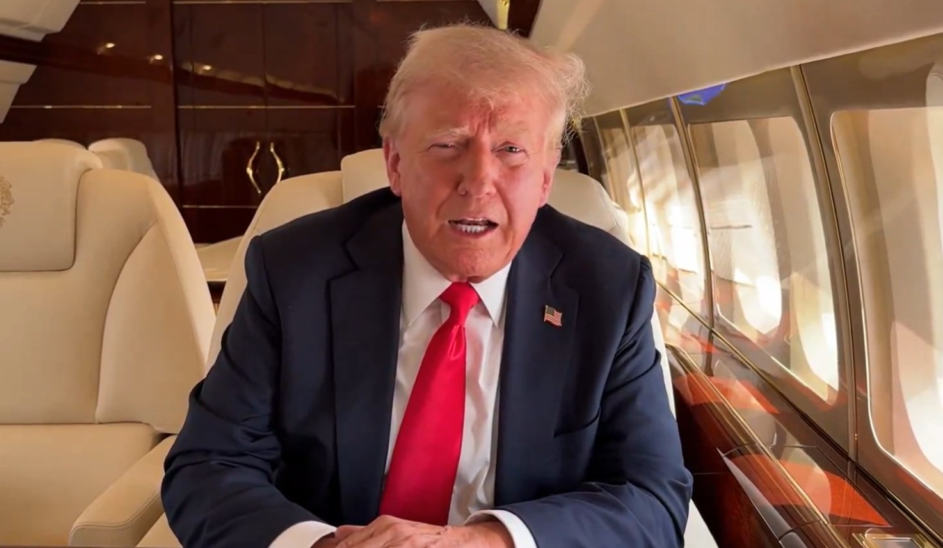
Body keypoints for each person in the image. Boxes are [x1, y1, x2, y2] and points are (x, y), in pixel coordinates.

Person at [161, 23, 692, 548]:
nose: (478, 182)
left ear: (546, 177)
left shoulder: (608, 287)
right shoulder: (294, 270)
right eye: (448, 144)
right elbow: (209, 465)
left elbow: (651, 496)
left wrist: (488, 542)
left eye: (511, 150)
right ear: (394, 163)